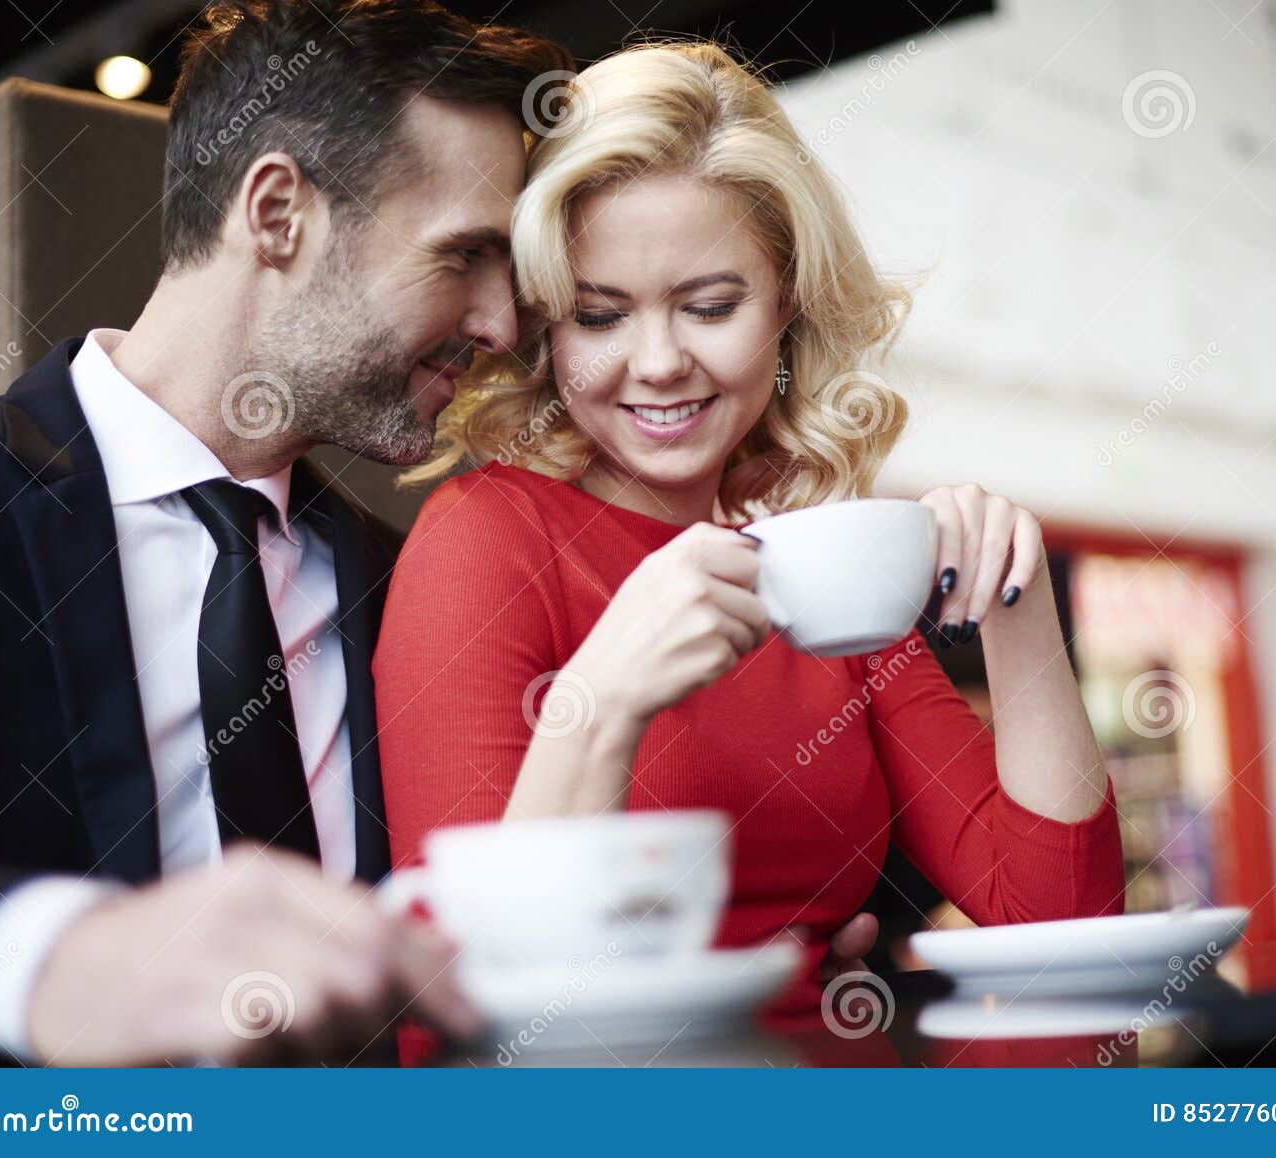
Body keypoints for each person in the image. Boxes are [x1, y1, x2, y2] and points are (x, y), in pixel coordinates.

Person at [374, 41, 1126, 1037]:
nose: (656, 364)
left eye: (710, 307)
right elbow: (463, 1014)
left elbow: (1057, 920)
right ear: (545, 329)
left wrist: (1014, 597)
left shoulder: (817, 562)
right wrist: (603, 699)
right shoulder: (484, 542)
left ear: (786, 305)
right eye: (599, 316)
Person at [0, 0, 572, 1065]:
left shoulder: (416, 589)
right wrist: (44, 958)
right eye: (464, 257)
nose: (501, 325)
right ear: (276, 213)